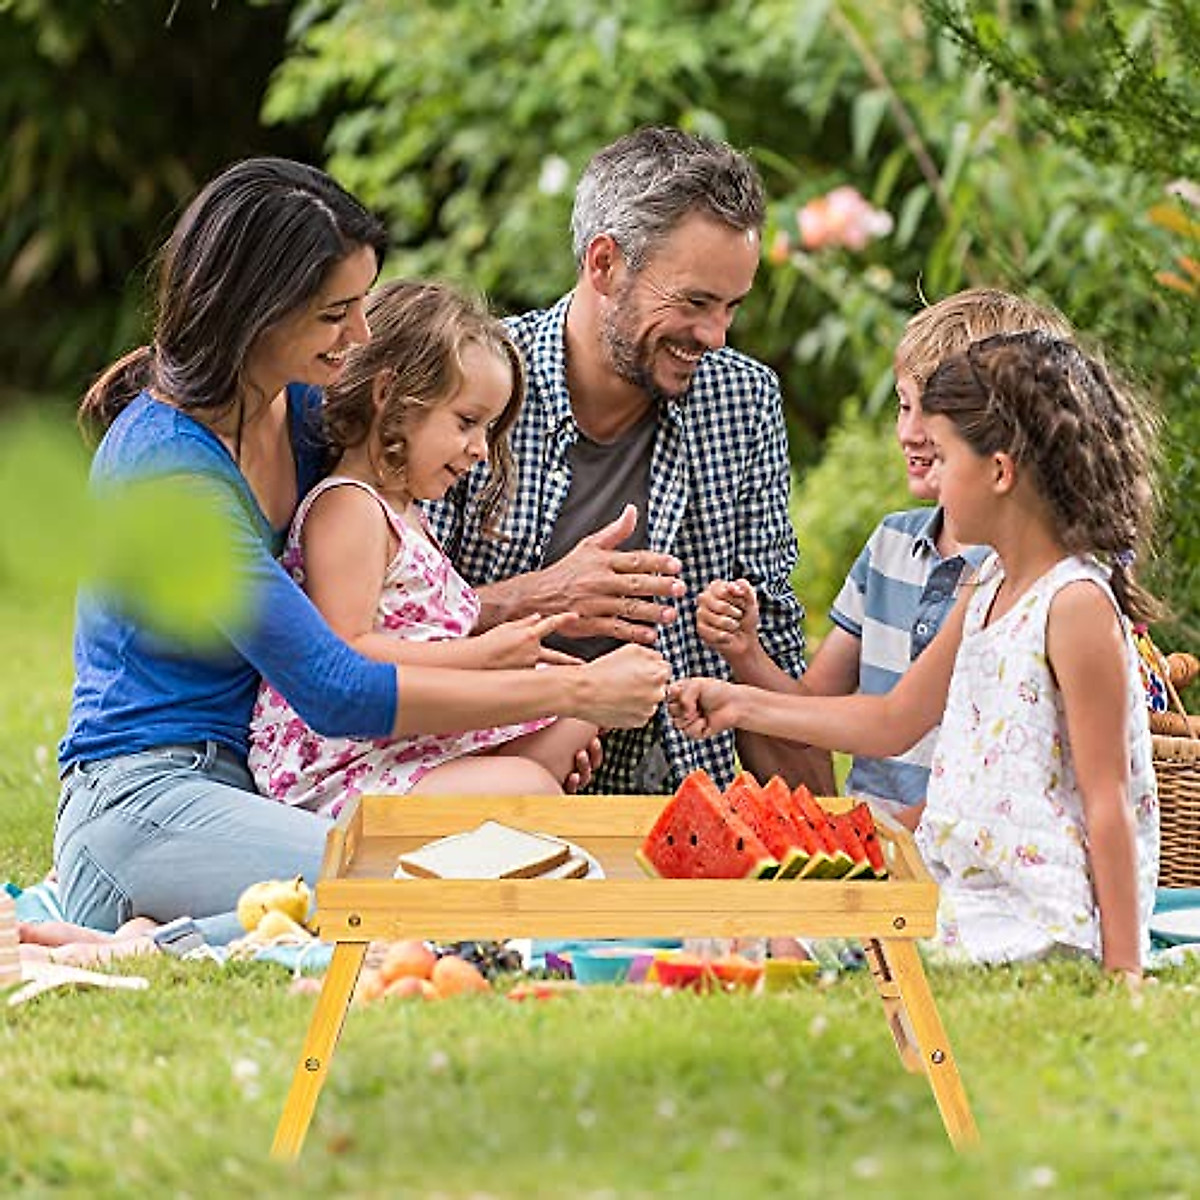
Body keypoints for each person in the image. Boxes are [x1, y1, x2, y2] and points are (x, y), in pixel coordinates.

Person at [41, 158, 669, 962]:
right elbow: (336, 688)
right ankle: (145, 946)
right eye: (336, 313)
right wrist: (575, 686)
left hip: (241, 791)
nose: (361, 338)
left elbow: (386, 600)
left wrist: (538, 599)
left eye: (361, 307)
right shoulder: (167, 471)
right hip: (140, 803)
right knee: (422, 886)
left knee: (491, 867)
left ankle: (160, 931)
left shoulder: (295, 415)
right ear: (256, 313)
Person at [669, 331, 1160, 981]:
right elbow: (893, 718)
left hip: (1035, 918)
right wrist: (738, 701)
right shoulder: (989, 588)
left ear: (1000, 471)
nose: (934, 475)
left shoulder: (1072, 605)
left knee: (794, 939)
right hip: (960, 886)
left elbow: (1108, 801)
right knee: (773, 924)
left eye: (947, 456)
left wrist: (1123, 969)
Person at [426, 126, 829, 796]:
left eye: (732, 307)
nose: (714, 336)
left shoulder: (745, 399)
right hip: (483, 778)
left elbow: (776, 643)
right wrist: (538, 598)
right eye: (695, 302)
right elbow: (385, 635)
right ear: (604, 264)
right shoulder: (470, 385)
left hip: (672, 789)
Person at [697, 289, 1073, 820]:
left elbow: (1000, 777)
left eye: (935, 416)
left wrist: (889, 841)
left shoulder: (1021, 580)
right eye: (904, 404)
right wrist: (745, 655)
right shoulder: (890, 547)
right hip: (878, 858)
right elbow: (824, 716)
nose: (910, 433)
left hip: (955, 857)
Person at [249, 279, 603, 814]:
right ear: (389, 394)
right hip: (342, 767)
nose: (481, 450)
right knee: (532, 790)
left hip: (404, 746)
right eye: (466, 422)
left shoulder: (406, 515)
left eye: (488, 430)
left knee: (584, 706)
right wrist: (481, 655)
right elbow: (348, 652)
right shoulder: (348, 508)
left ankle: (499, 818)